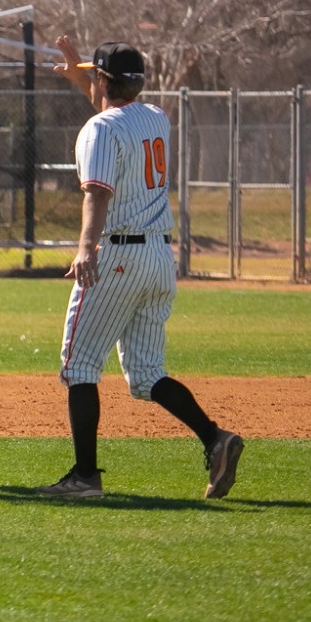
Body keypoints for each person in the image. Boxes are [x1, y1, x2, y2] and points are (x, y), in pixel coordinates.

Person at [38, 36, 244, 499]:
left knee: (79, 367)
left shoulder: (98, 130)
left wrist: (85, 248)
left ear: (103, 81)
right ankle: (216, 438)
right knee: (147, 376)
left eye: (96, 76)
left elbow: (97, 191)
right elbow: (114, 113)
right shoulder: (155, 117)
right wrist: (83, 75)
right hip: (157, 258)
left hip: (115, 255)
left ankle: (85, 477)